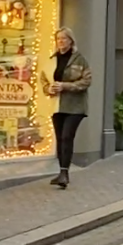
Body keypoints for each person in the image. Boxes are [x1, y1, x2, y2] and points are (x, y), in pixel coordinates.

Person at [45, 27, 91, 188]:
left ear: (71, 41)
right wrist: (48, 88)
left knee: (67, 137)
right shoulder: (52, 59)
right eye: (58, 39)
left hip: (75, 106)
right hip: (57, 105)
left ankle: (65, 173)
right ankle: (61, 172)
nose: (61, 42)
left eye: (64, 39)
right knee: (59, 138)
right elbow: (44, 79)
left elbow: (86, 82)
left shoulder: (79, 59)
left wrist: (65, 86)